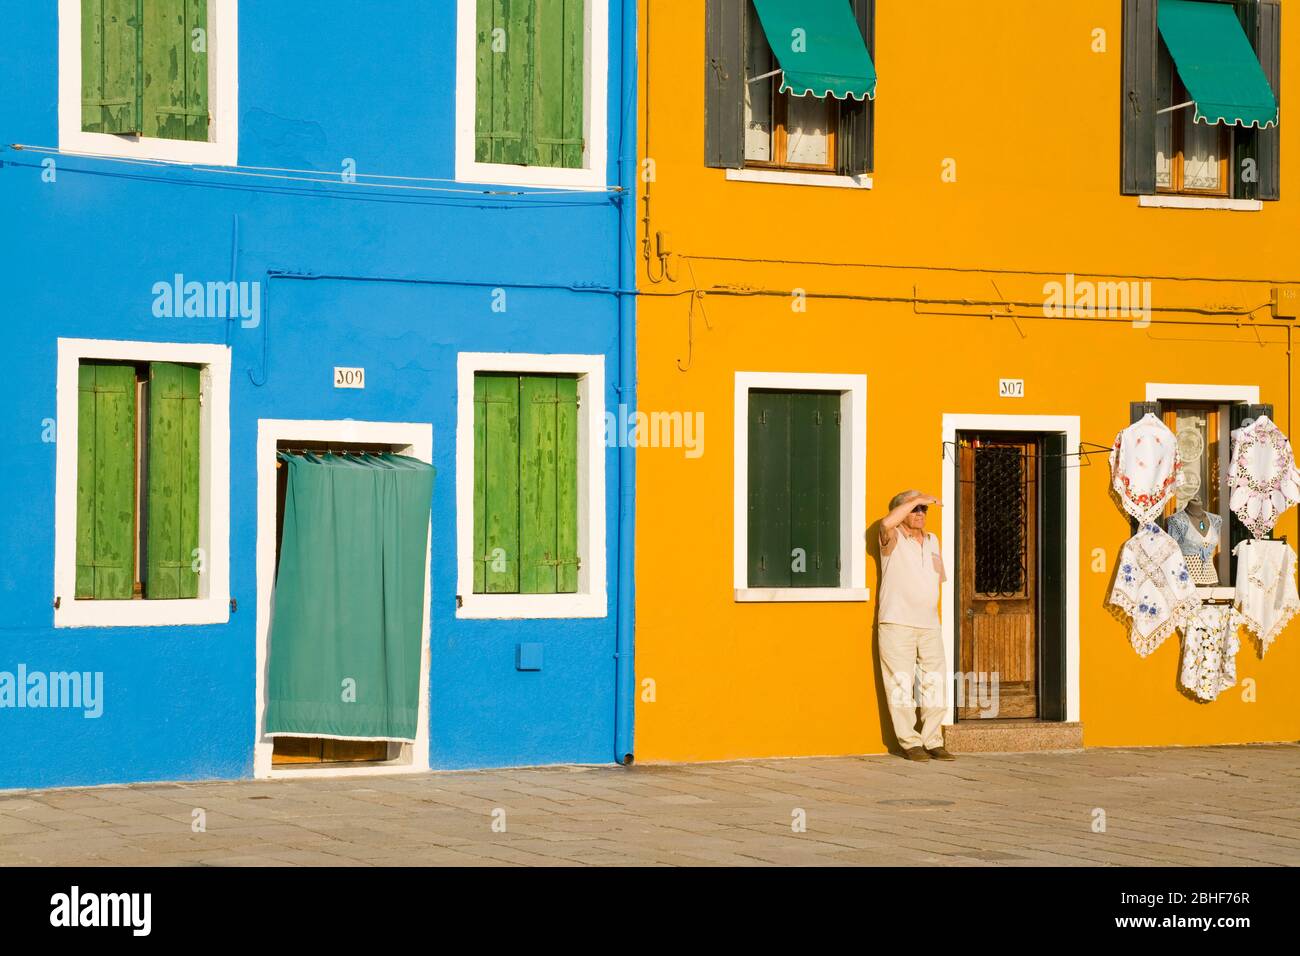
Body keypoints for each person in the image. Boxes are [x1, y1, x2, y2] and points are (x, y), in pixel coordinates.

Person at [877, 490, 956, 762]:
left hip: (929, 624)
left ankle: (933, 740)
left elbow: (936, 579)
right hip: (896, 622)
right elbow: (885, 524)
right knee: (900, 683)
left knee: (935, 682)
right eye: (915, 509)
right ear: (901, 511)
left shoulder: (933, 541)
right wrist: (913, 499)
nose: (921, 513)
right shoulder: (893, 537)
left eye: (924, 509)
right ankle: (910, 743)